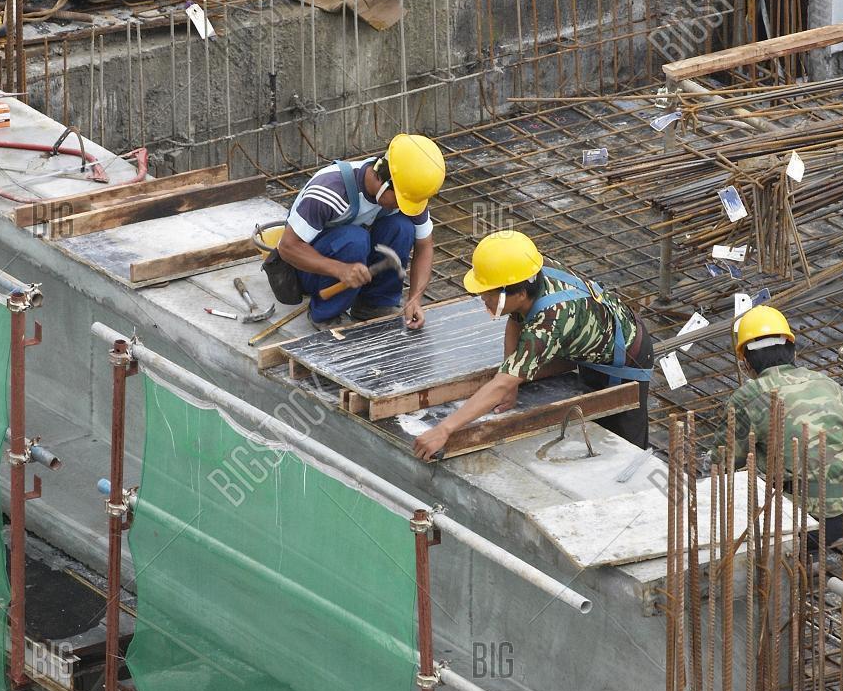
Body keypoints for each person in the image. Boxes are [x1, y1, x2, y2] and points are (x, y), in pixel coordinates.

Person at [412, 231, 654, 460]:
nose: (483, 298)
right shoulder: (527, 271)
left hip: (626, 359)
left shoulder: (549, 322)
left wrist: (444, 429)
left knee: (622, 450)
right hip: (592, 346)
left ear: (515, 294)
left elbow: (502, 383)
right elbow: (516, 319)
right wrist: (512, 374)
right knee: (590, 433)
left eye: (488, 293)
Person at [727, 306, 843, 550]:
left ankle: (798, 567)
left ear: (746, 363)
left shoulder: (747, 398)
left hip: (813, 524)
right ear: (792, 352)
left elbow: (726, 460)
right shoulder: (826, 382)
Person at [276, 134, 445, 327]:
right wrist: (340, 269)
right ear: (383, 180)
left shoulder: (407, 192)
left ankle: (373, 305)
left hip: (353, 256)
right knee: (355, 240)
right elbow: (288, 248)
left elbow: (425, 246)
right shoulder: (329, 191)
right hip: (308, 268)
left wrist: (415, 298)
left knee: (401, 227)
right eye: (399, 200)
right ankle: (326, 313)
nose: (404, 206)